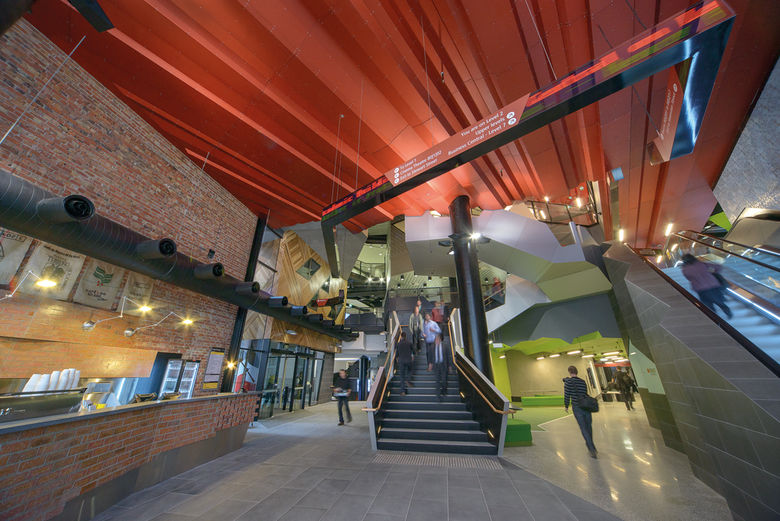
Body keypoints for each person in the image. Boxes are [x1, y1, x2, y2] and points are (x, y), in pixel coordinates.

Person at [680, 253, 732, 318]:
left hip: (700, 289)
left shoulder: (684, 270)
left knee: (708, 306)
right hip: (712, 285)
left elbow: (689, 278)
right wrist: (713, 272)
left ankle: (715, 319)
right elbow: (718, 267)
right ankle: (728, 314)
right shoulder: (701, 264)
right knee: (719, 302)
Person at [564, 365, 598, 458]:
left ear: (569, 372)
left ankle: (591, 448)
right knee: (588, 427)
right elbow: (584, 394)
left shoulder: (568, 382)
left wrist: (566, 406)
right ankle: (592, 446)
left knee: (583, 428)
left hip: (577, 407)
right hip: (586, 407)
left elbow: (567, 395)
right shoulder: (582, 382)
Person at [432, 333, 451, 399]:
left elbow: (448, 357)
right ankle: (438, 395)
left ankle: (444, 391)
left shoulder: (445, 346)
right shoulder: (433, 346)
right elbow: (431, 356)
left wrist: (449, 366)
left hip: (443, 365)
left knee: (444, 380)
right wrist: (430, 364)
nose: (436, 340)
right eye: (435, 339)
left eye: (437, 339)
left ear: (440, 339)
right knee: (437, 380)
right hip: (436, 365)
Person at [395, 331, 414, 395]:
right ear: (405, 336)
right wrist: (412, 356)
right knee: (410, 370)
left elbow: (397, 353)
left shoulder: (398, 344)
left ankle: (403, 391)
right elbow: (413, 350)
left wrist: (397, 359)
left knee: (402, 376)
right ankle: (408, 380)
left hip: (401, 361)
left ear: (401, 336)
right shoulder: (409, 343)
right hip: (408, 360)